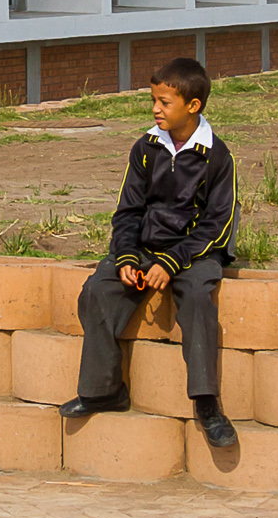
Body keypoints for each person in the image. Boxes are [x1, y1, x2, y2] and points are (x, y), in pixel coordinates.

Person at [60, 56, 240, 450]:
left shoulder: (217, 157)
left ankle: (207, 404)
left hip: (194, 253)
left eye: (165, 102)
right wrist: (126, 257)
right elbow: (128, 211)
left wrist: (171, 262)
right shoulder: (146, 148)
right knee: (97, 291)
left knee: (196, 297)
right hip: (143, 247)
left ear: (193, 106)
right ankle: (105, 390)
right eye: (154, 100)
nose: (156, 109)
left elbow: (219, 223)